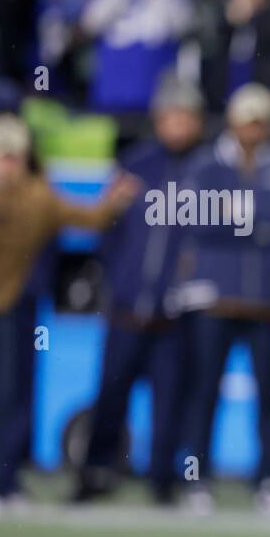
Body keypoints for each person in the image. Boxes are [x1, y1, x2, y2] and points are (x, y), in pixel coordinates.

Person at [0, 115, 139, 512]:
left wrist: (114, 200)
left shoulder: (37, 197)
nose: (8, 167)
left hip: (14, 306)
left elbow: (87, 218)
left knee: (14, 393)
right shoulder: (33, 195)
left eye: (13, 158)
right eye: (2, 158)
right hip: (9, 302)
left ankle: (4, 480)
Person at [73, 75, 206, 505]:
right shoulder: (136, 165)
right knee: (111, 396)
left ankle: (163, 482)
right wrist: (118, 279)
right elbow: (108, 231)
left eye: (186, 116)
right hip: (127, 309)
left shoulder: (206, 171)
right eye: (171, 115)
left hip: (173, 315)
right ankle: (94, 474)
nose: (178, 125)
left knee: (169, 404)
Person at [177, 83, 270, 515]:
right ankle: (197, 480)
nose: (253, 130)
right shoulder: (206, 164)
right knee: (203, 391)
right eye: (247, 121)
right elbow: (198, 218)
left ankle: (268, 479)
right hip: (216, 300)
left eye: (260, 122)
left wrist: (239, 212)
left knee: (266, 395)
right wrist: (258, 216)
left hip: (266, 301)